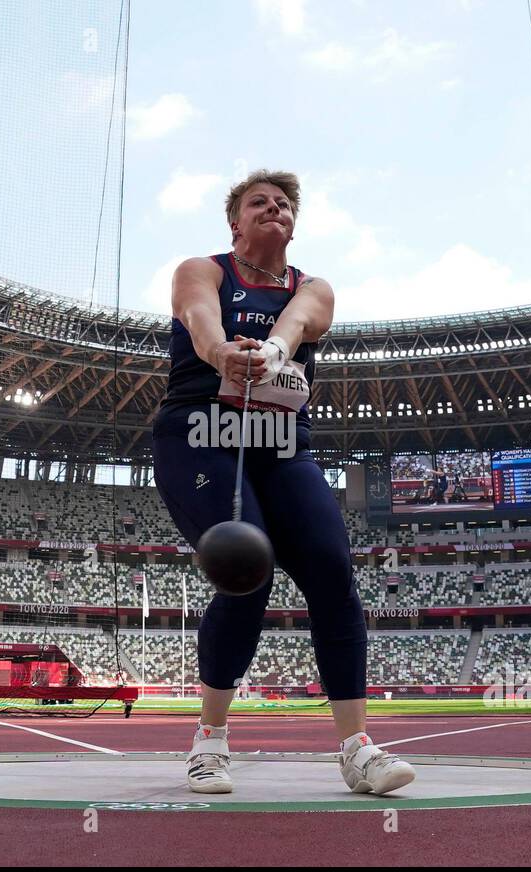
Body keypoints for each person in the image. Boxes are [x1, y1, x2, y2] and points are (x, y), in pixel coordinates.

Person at [153, 169, 415, 796]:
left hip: (280, 445)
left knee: (331, 567)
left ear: (293, 223)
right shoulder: (204, 268)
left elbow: (299, 323)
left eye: (283, 204)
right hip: (201, 436)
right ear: (234, 223)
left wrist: (270, 353)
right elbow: (197, 317)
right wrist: (221, 354)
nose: (274, 208)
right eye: (257, 203)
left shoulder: (314, 286)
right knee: (247, 566)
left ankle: (357, 749)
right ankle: (209, 744)